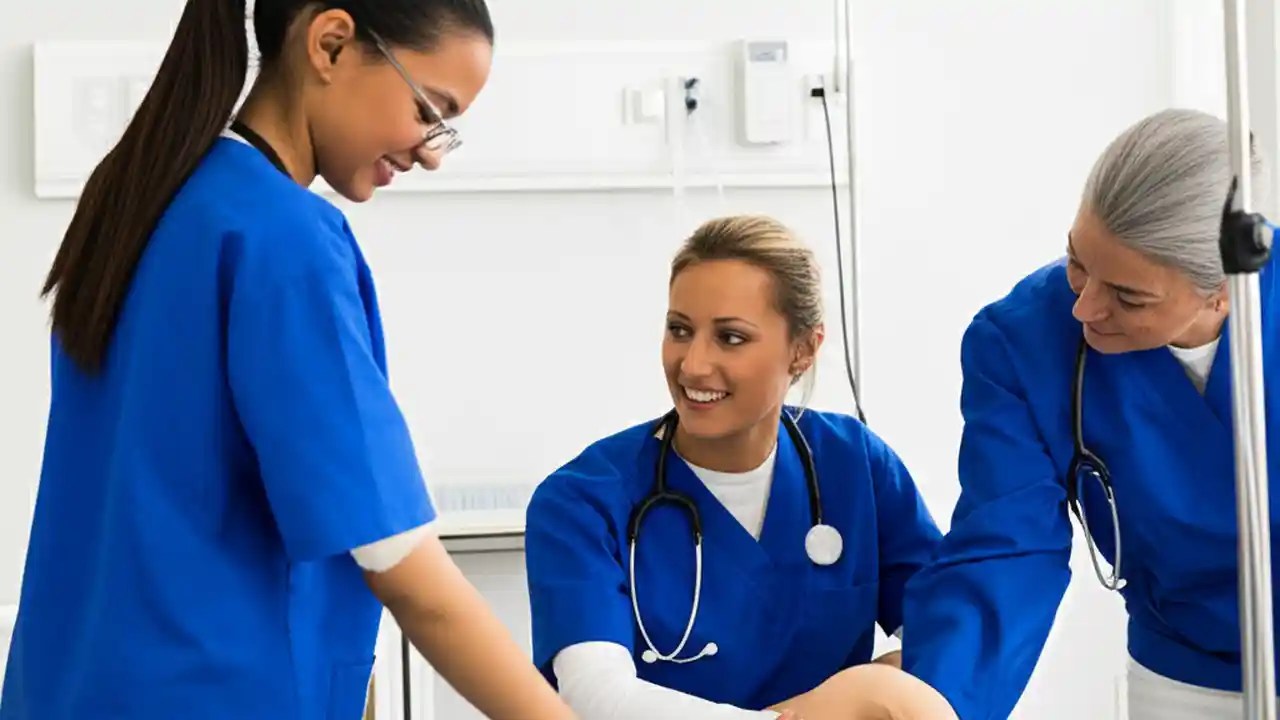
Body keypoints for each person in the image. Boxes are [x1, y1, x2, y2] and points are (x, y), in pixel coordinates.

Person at [0, 2, 572, 719]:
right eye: (429, 108)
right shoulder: (282, 240)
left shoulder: (142, 200)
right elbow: (408, 574)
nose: (431, 148)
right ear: (331, 44)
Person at [900, 107, 1278, 720]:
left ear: (1226, 286)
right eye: (1077, 261)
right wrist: (933, 701)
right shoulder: (1021, 340)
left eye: (1128, 296)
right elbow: (1007, 547)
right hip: (1184, 672)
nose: (1085, 308)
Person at [524, 215, 958, 719]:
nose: (693, 365)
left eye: (730, 338)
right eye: (679, 330)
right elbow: (596, 698)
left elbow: (945, 639)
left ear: (804, 349)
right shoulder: (583, 501)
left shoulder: (855, 466)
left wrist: (883, 681)